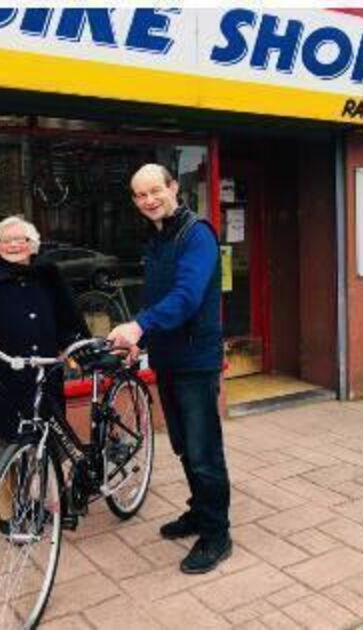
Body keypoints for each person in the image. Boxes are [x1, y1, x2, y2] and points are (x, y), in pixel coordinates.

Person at [107, 164, 231, 574]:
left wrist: (139, 325)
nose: (148, 200)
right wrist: (138, 340)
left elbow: (187, 296)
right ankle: (199, 512)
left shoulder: (196, 235)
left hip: (196, 361)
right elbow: (158, 298)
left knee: (203, 451)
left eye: (155, 190)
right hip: (167, 359)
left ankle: (217, 535)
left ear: (173, 187)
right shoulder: (158, 238)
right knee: (183, 445)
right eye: (140, 195)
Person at [0, 216, 88, 471]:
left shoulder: (49, 277)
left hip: (45, 380)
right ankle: (8, 511)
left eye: (22, 239)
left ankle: (51, 505)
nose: (14, 245)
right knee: (4, 460)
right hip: (2, 384)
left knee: (48, 451)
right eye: (7, 240)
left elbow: (68, 320)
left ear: (34, 245)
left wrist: (77, 346)